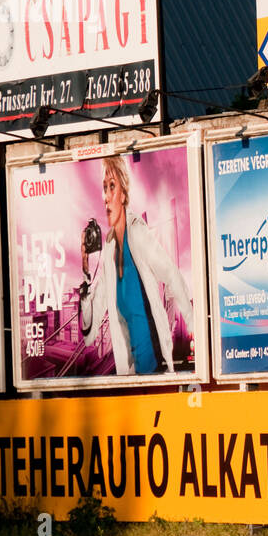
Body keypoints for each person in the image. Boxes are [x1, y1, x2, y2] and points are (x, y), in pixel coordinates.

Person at [80, 156, 193, 375]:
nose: (106, 197)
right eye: (104, 188)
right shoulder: (109, 251)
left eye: (112, 187)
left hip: (155, 370)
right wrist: (86, 273)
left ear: (123, 194)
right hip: (130, 378)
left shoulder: (138, 233)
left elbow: (171, 275)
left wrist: (192, 324)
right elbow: (89, 334)